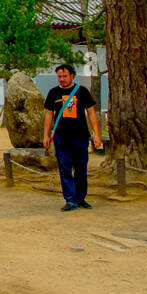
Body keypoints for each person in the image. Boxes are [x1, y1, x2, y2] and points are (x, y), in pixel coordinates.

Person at [43, 63, 103, 212]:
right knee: (64, 168)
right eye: (59, 77)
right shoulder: (53, 93)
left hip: (80, 136)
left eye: (64, 76)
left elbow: (91, 112)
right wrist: (46, 134)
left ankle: (81, 198)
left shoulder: (82, 91)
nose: (61, 79)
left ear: (71, 76)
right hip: (61, 137)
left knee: (81, 168)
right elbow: (49, 114)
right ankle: (70, 199)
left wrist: (97, 134)